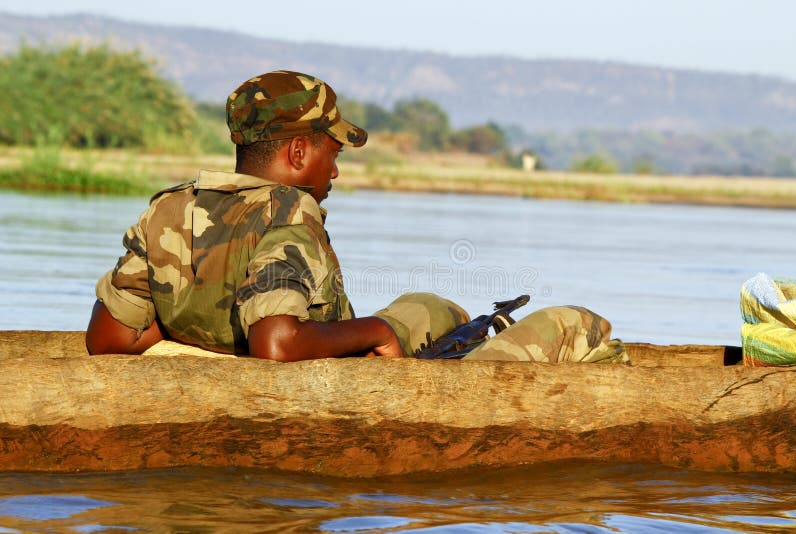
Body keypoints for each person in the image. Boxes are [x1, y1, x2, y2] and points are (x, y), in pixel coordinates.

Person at [86, 70, 627, 364]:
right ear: (298, 153)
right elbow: (276, 343)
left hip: (313, 350)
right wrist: (369, 329)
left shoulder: (169, 208)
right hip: (328, 377)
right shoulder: (290, 211)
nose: (336, 172)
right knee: (576, 324)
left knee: (431, 305)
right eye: (333, 153)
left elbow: (109, 339)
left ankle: (466, 330)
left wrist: (195, 313)